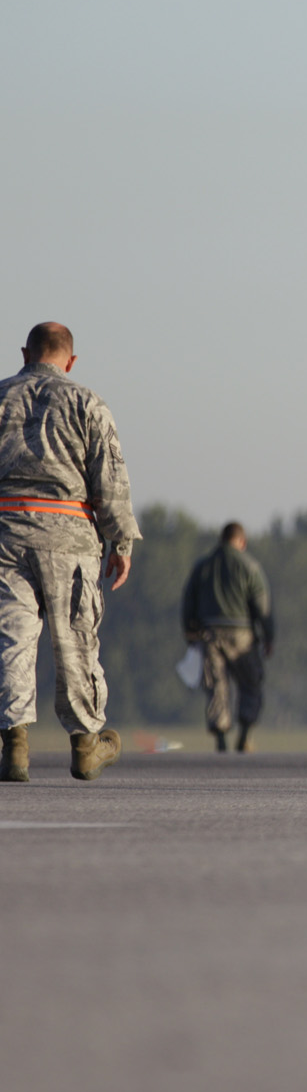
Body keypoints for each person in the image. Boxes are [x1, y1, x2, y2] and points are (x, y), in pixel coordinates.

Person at [0, 323, 139, 783]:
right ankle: (85, 747)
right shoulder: (87, 403)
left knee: (11, 639)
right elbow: (110, 480)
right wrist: (120, 543)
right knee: (75, 640)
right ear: (71, 361)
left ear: (25, 354)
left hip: (5, 534)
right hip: (69, 537)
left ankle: (14, 747)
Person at [181, 522, 275, 752]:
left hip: (210, 634)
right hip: (243, 635)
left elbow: (188, 601)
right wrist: (268, 636)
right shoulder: (250, 566)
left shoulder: (203, 566)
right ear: (242, 542)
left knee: (217, 686)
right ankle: (245, 733)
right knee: (250, 683)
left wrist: (189, 631)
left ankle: (221, 739)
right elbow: (262, 605)